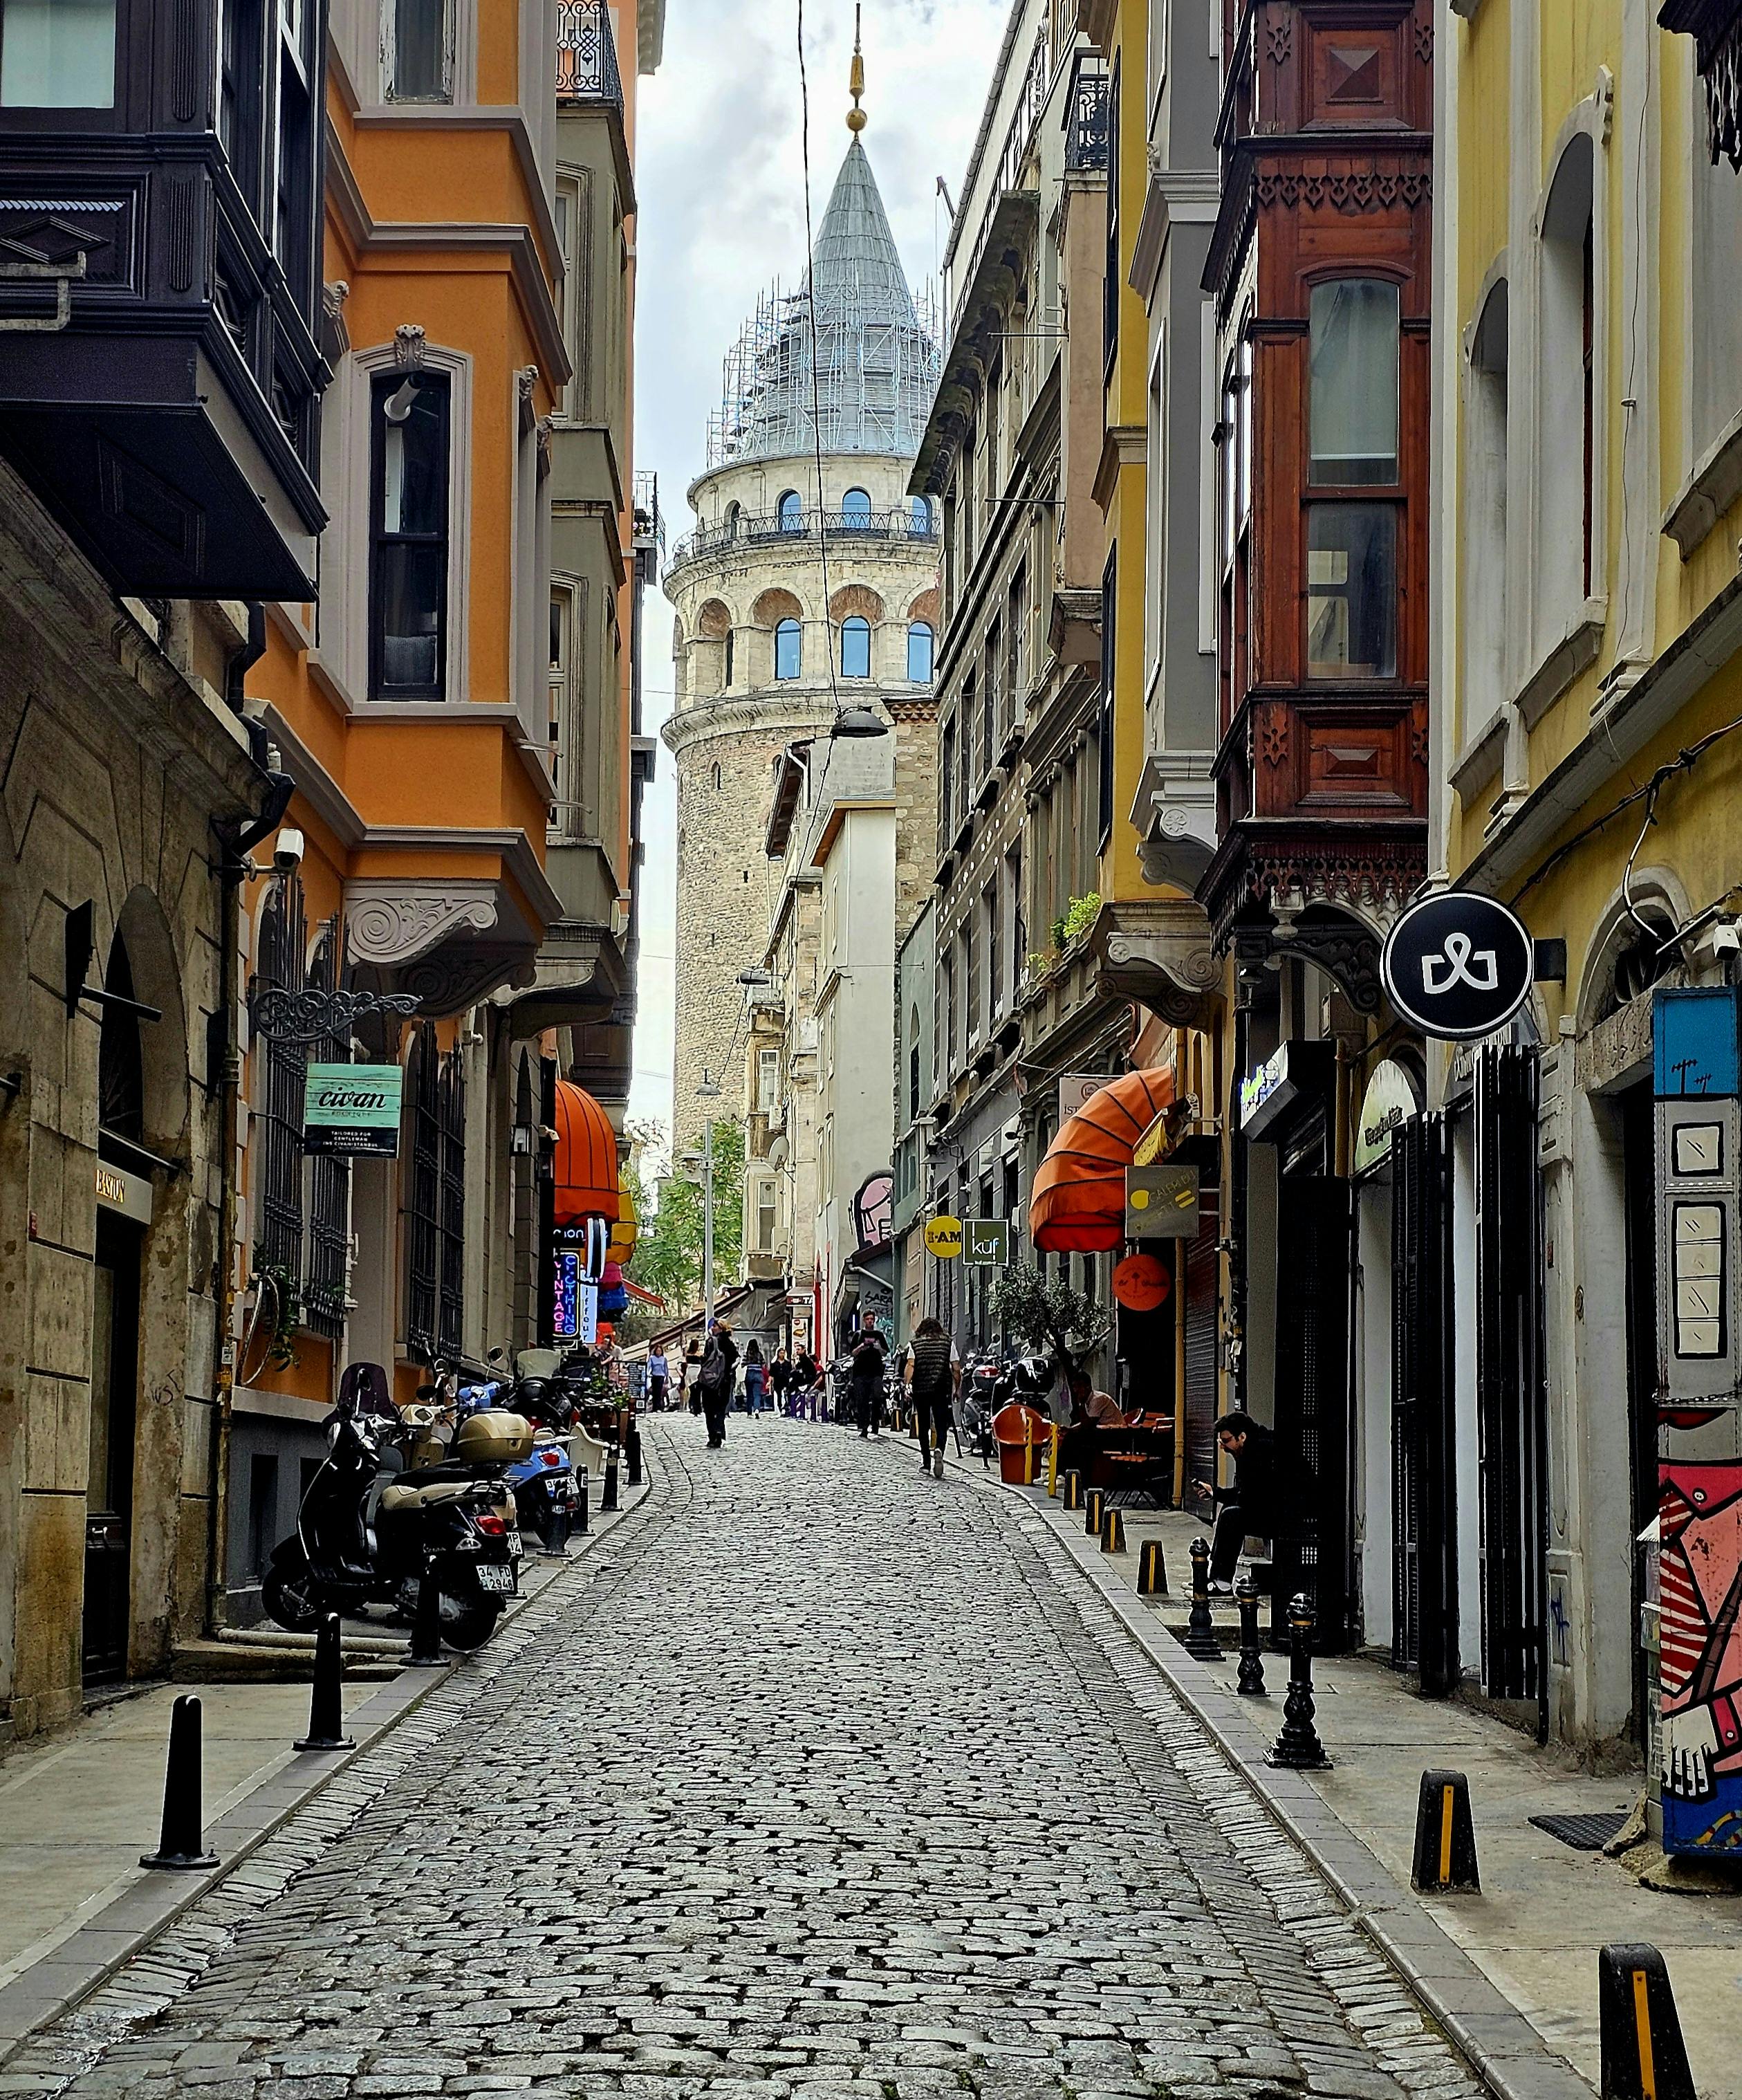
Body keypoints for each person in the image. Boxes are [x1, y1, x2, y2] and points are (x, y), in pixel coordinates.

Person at [1195, 1409, 1277, 1591]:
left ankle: (1221, 1582)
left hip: (1286, 1513)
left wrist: (1217, 1493)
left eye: (1226, 1441)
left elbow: (1247, 1496)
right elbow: (1245, 1493)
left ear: (1242, 1437)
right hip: (1272, 1507)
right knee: (1230, 1512)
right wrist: (1215, 1493)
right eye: (1220, 1442)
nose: (1223, 1447)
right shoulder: (1251, 1449)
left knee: (1231, 1517)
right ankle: (1216, 1578)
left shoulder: (1258, 1452)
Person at [903, 1317, 959, 1480]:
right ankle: (939, 1448)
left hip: (921, 1389)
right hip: (942, 1389)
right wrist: (957, 1388)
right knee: (941, 1424)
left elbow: (911, 1365)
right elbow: (956, 1368)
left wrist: (907, 1385)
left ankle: (926, 1463)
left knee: (923, 1425)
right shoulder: (948, 1343)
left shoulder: (915, 1344)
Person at [696, 1320, 738, 1448]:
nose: (712, 1328)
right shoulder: (730, 1344)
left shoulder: (712, 1342)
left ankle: (712, 1436)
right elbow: (736, 1359)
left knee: (709, 1409)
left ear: (721, 1328)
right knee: (721, 1409)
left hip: (711, 1381)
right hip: (725, 1380)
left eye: (715, 1326)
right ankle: (719, 1431)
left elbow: (706, 1360)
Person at [848, 1328, 887, 1437]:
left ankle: (875, 1422)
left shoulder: (879, 1335)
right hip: (860, 1372)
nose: (870, 1321)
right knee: (862, 1400)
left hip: (876, 1372)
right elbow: (852, 1353)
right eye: (868, 1320)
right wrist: (861, 1347)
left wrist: (878, 1348)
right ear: (864, 1320)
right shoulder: (858, 1335)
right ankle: (864, 1427)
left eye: (872, 1320)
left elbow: (885, 1352)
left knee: (877, 1396)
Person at [742, 1340, 766, 1415]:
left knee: (749, 1394)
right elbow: (764, 1364)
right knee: (757, 1394)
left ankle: (749, 1412)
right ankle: (757, 1409)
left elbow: (743, 1364)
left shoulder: (747, 1354)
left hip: (750, 1373)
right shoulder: (759, 1354)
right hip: (758, 1374)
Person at [648, 1345, 669, 1412]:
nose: (658, 1352)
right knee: (654, 1392)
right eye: (657, 1351)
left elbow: (666, 1368)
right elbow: (649, 1366)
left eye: (660, 1351)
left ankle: (659, 1407)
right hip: (654, 1376)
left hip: (661, 1376)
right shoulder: (652, 1358)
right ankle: (654, 1407)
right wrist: (647, 1373)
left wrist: (667, 1377)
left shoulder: (664, 1359)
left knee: (659, 1392)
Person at [770, 1348, 792, 1412]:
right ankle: (780, 1406)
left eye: (783, 1353)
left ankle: (786, 1406)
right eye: (781, 1353)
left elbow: (790, 1372)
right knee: (779, 1395)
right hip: (777, 1381)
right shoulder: (774, 1364)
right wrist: (770, 1383)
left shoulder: (788, 1363)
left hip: (785, 1380)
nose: (782, 1355)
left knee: (786, 1394)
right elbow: (772, 1374)